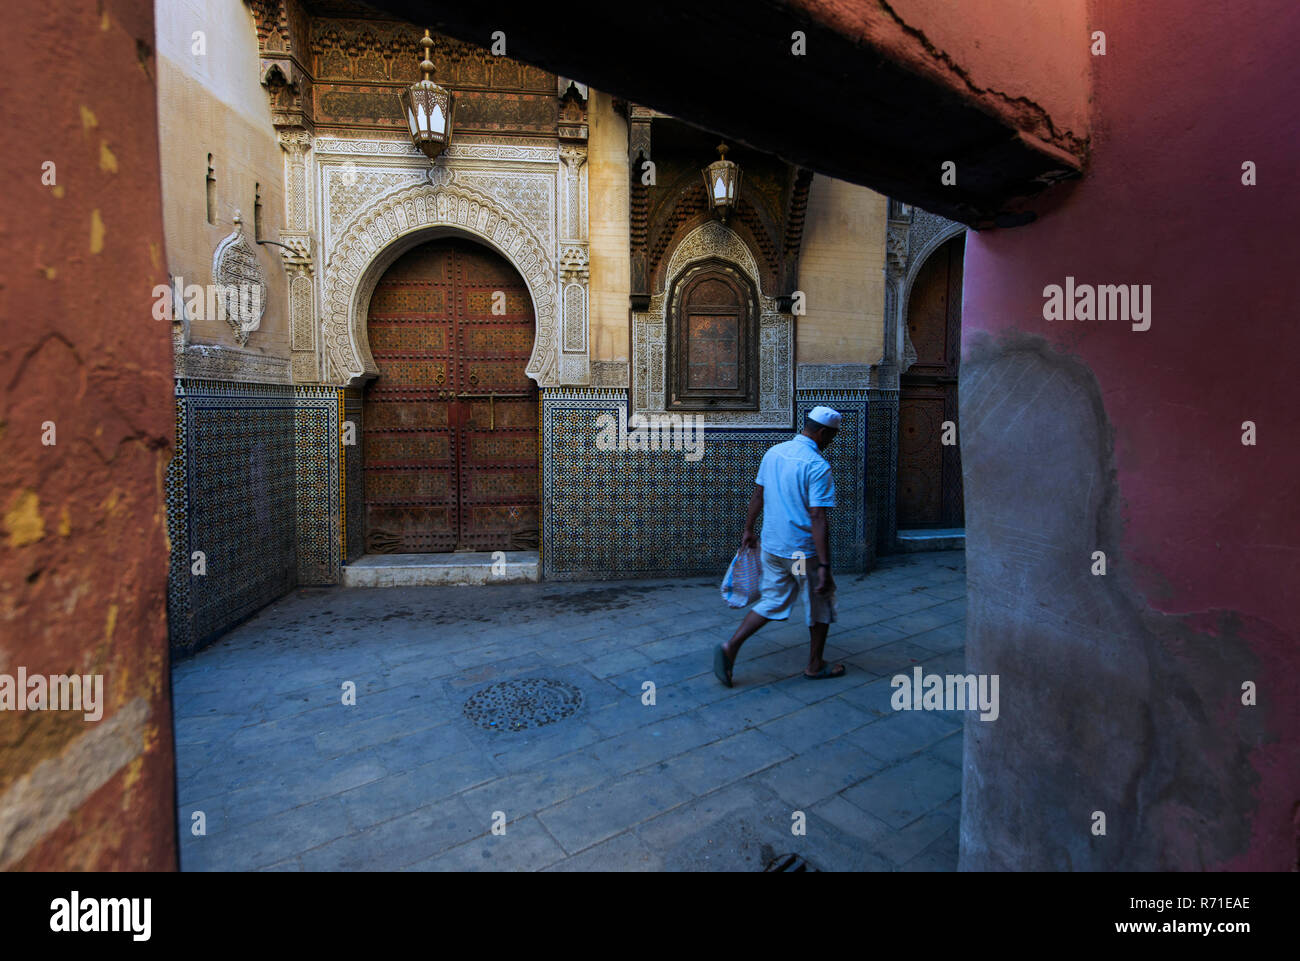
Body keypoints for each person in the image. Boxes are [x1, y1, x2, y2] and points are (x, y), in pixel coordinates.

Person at [714, 406, 846, 687]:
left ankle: (731, 646)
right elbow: (818, 517)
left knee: (773, 600)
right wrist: (824, 566)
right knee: (819, 602)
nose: (831, 442)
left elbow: (758, 494)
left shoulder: (774, 453)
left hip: (771, 545)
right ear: (822, 433)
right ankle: (815, 665)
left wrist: (749, 530)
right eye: (832, 436)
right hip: (801, 552)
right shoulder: (817, 465)